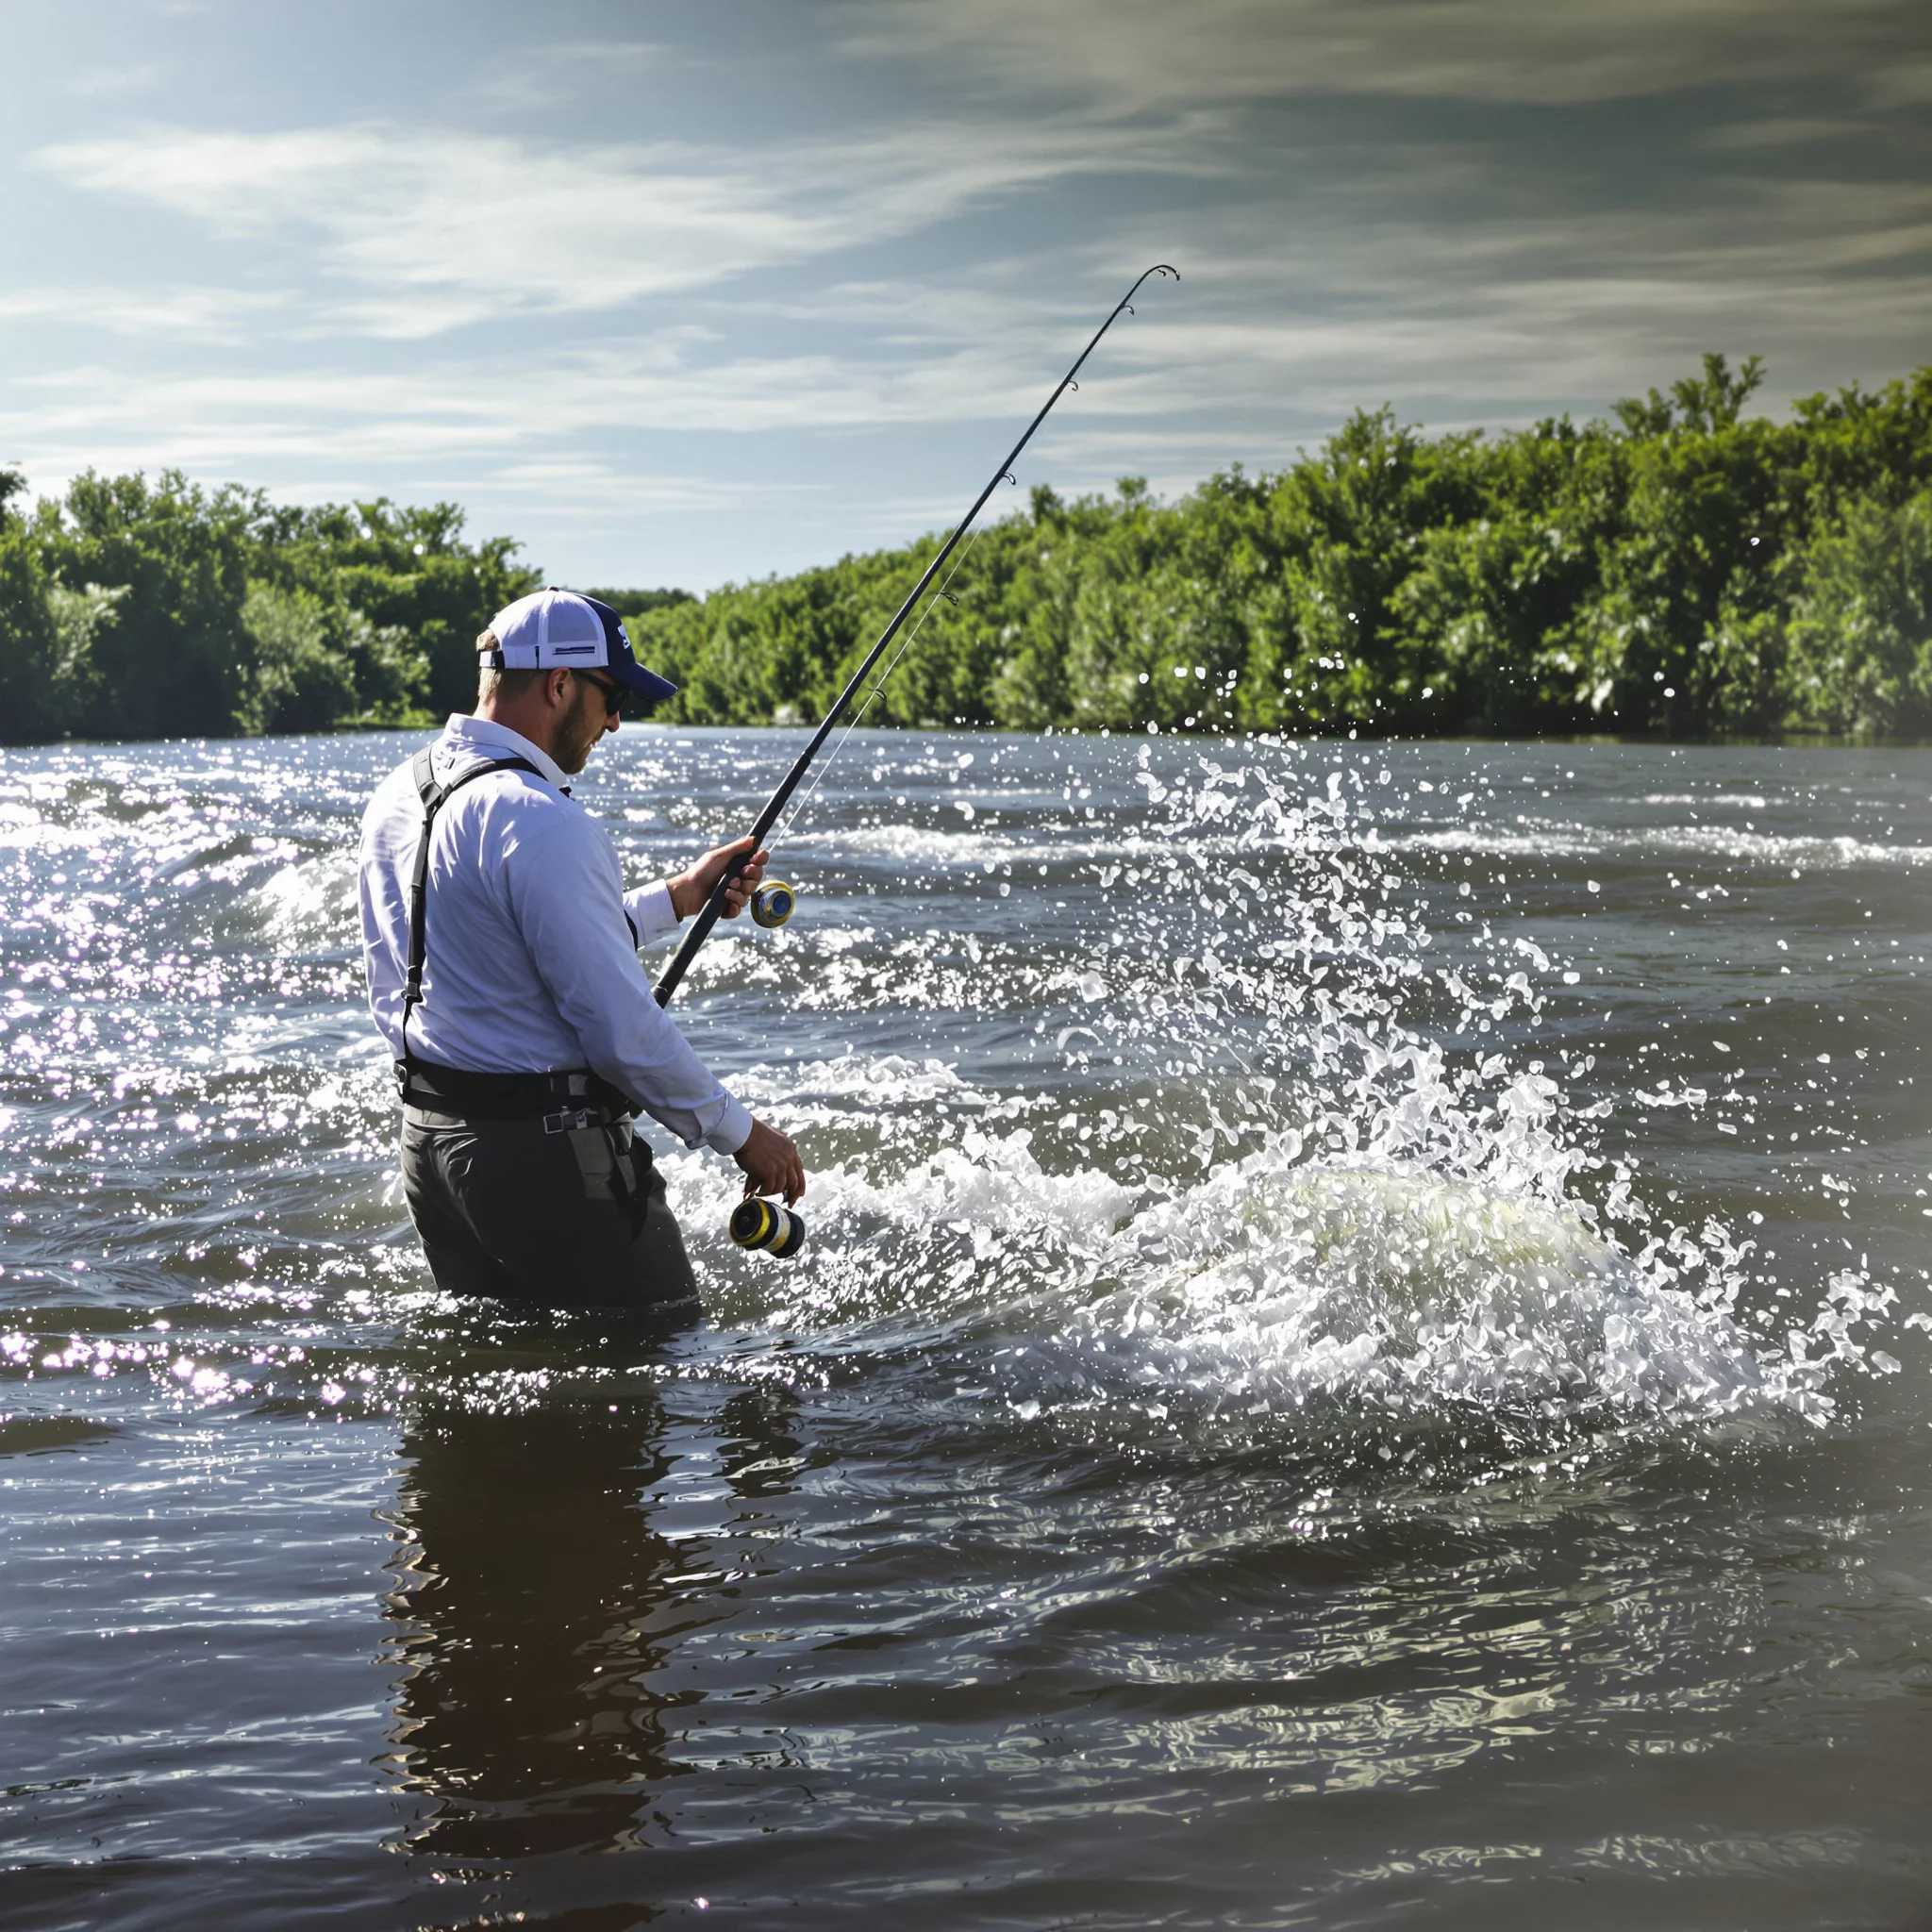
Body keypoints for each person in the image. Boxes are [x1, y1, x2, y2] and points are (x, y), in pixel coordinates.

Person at [357, 586, 806, 1310]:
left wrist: (681, 896)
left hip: (431, 1148)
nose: (617, 722)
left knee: (497, 1383)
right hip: (543, 1163)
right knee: (650, 1357)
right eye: (612, 695)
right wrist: (742, 1134)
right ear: (560, 683)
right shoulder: (539, 819)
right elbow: (620, 1030)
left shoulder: (399, 793)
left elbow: (506, 954)